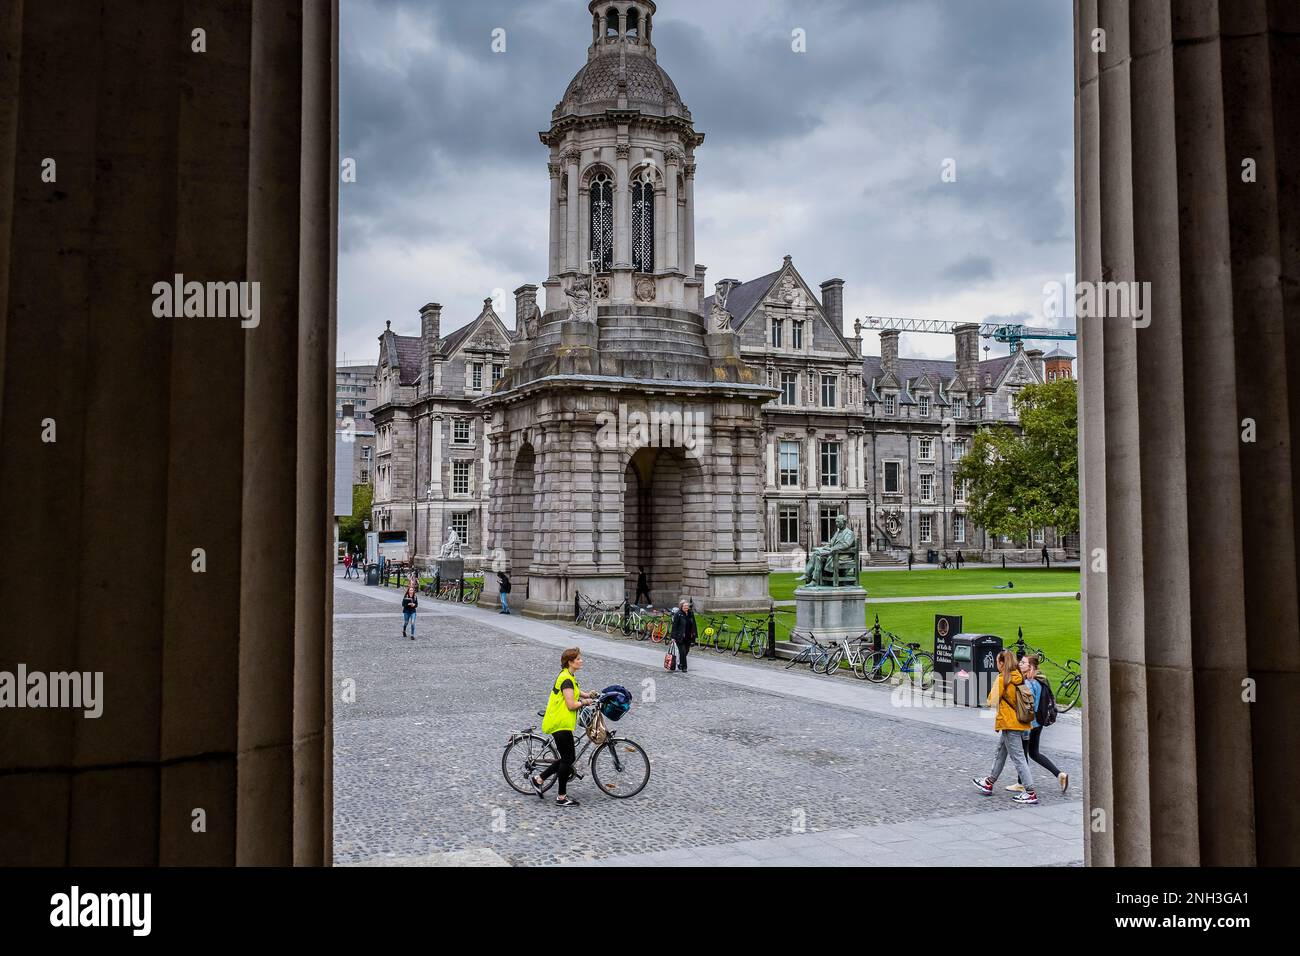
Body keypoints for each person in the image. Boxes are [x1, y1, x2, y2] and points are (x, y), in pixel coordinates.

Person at [533, 647, 598, 807]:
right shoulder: (566, 679)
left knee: (566, 758)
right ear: (570, 662)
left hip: (562, 723)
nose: (581, 661)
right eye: (578, 659)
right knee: (568, 759)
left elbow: (574, 692)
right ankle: (561, 797)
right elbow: (571, 704)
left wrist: (588, 694)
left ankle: (539, 779)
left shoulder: (568, 676)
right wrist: (585, 702)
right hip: (559, 723)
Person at [972, 649, 1037, 804]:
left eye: (997, 661)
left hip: (1009, 722)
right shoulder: (1018, 676)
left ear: (1001, 663)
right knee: (1001, 752)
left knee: (1019, 758)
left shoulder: (1002, 679)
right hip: (1018, 721)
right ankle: (989, 782)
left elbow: (991, 701)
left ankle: (1030, 792)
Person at [1008, 654, 1069, 794]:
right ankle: (1059, 774)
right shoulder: (1040, 680)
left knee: (1022, 755)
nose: (1020, 664)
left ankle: (1021, 783)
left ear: (1031, 667)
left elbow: (1028, 706)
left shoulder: (1028, 683)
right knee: (1034, 753)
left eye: (1023, 663)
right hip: (1038, 723)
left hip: (1028, 724)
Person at [669, 598, 697, 673]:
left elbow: (694, 624)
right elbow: (674, 626)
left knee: (686, 651)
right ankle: (684, 667)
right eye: (685, 606)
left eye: (687, 606)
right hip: (680, 636)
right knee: (683, 651)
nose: (686, 607)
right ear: (681, 606)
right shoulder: (678, 614)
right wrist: (673, 637)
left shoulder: (690, 613)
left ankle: (681, 663)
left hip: (688, 636)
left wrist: (694, 634)